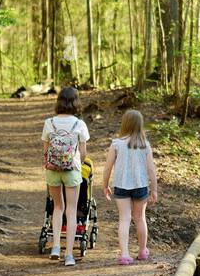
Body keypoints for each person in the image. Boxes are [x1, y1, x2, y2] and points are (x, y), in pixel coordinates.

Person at [101, 109, 158, 265]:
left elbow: (107, 168)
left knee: (124, 219)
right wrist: (154, 189)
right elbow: (151, 169)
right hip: (140, 186)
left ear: (124, 124)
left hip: (121, 185)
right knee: (140, 218)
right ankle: (142, 251)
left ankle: (125, 254)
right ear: (140, 125)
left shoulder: (116, 144)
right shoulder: (144, 145)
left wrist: (105, 185)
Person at [42, 86, 89, 266]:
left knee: (57, 207)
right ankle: (68, 254)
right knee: (71, 210)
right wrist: (75, 162)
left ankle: (55, 247)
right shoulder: (79, 124)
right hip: (72, 171)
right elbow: (83, 153)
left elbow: (45, 150)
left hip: (53, 170)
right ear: (75, 102)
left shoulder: (49, 123)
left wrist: (50, 164)